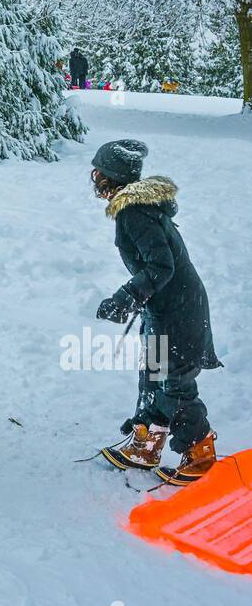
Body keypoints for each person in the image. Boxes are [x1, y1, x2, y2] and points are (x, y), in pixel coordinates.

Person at [92, 141, 220, 483]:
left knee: (174, 381)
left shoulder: (134, 211)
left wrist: (126, 296)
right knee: (152, 374)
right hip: (165, 307)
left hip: (178, 311)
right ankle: (146, 444)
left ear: (112, 177)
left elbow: (161, 266)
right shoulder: (136, 206)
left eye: (98, 172)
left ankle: (201, 451)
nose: (94, 178)